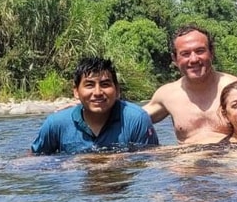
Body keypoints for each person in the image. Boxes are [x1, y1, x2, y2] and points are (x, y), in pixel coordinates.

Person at [144, 24, 237, 145]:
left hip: (230, 171)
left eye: (200, 51)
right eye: (185, 54)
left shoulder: (236, 89)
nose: (194, 59)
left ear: (211, 52)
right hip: (189, 174)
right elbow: (130, 119)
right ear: (174, 59)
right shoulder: (167, 95)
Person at [31, 56, 159, 155]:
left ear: (118, 91)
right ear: (76, 91)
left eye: (105, 84)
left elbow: (147, 163)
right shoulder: (56, 124)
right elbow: (35, 160)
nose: (97, 93)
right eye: (89, 85)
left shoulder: (137, 119)